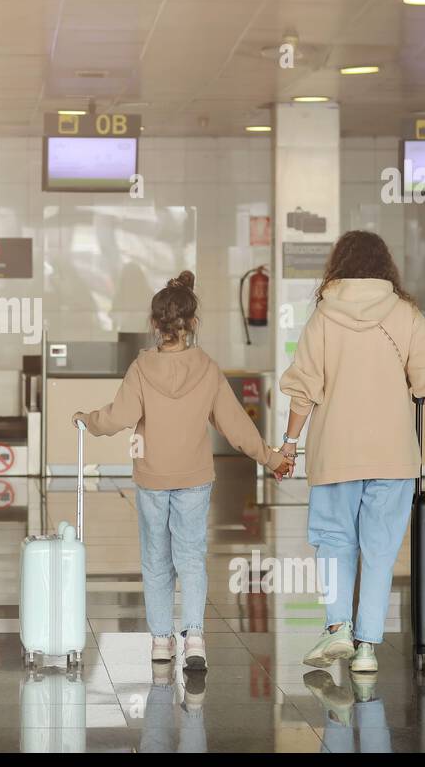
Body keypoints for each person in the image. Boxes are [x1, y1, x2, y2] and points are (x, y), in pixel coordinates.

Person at [74, 270, 293, 671]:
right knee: (191, 557)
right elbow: (235, 426)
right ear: (192, 323)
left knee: (156, 558)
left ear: (155, 325)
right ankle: (194, 639)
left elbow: (119, 415)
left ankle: (160, 640)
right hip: (194, 479)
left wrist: (88, 419)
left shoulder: (142, 368)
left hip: (152, 479)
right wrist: (271, 457)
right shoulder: (207, 368)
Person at [278, 231, 425, 674]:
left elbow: (303, 388)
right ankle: (367, 649)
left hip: (336, 451)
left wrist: (289, 443)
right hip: (393, 453)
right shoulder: (406, 313)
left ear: (339, 264)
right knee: (379, 549)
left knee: (335, 540)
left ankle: (337, 625)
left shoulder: (324, 314)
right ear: (385, 265)